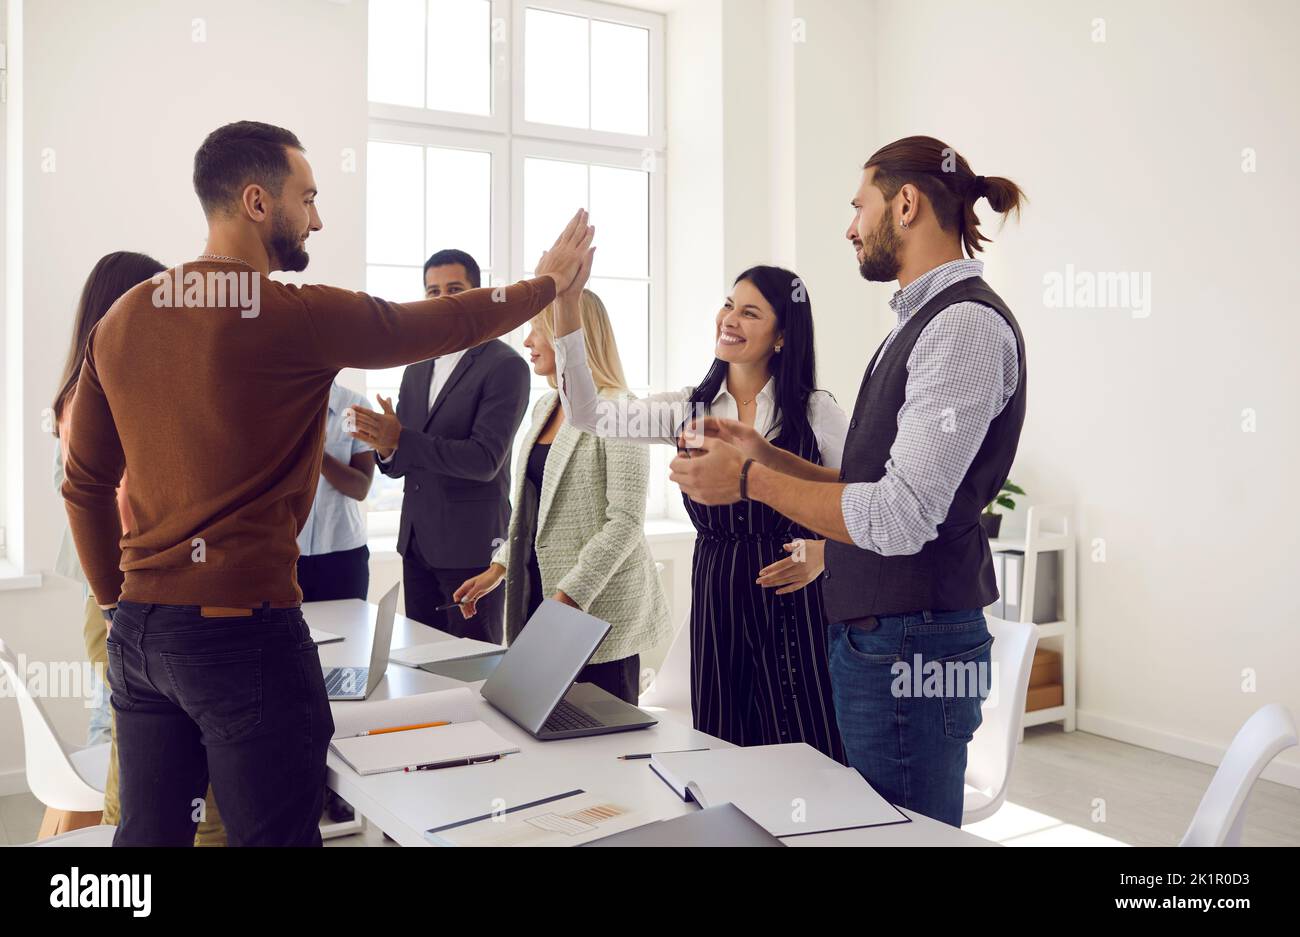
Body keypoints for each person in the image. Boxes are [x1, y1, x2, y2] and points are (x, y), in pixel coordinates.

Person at [61, 120, 593, 846]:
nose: (317, 217)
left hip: (143, 637)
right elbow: (437, 322)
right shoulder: (292, 317)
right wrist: (547, 285)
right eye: (306, 197)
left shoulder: (122, 319)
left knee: (147, 845)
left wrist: (115, 605)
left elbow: (83, 483)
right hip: (242, 635)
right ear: (256, 201)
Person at [669, 135, 1027, 826]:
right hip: (884, 638)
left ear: (906, 203)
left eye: (858, 206)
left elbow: (898, 517)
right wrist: (768, 458)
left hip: (910, 646)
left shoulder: (962, 329)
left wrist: (748, 480)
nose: (850, 226)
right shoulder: (917, 324)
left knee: (894, 837)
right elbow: (867, 483)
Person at [552, 260, 847, 760]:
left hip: (795, 602)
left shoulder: (817, 411)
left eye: (750, 312)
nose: (729, 319)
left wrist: (823, 554)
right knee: (724, 741)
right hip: (718, 594)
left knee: (807, 740)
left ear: (782, 336)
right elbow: (588, 413)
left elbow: (861, 495)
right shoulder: (688, 408)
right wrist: (566, 303)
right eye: (729, 305)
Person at [51, 250, 226, 845]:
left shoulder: (85, 388)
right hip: (125, 598)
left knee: (130, 750)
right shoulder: (104, 395)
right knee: (133, 763)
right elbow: (125, 503)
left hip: (117, 599)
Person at [454, 290, 671, 703]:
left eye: (538, 330)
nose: (528, 342)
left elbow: (624, 523)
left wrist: (568, 595)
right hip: (540, 599)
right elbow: (534, 509)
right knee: (542, 731)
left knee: (601, 745)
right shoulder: (544, 408)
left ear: (573, 336)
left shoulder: (622, 410)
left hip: (598, 612)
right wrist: (499, 568)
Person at [350, 249, 529, 643]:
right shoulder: (417, 365)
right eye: (432, 291)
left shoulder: (505, 366)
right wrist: (386, 448)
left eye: (454, 289)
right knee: (421, 668)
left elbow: (485, 460)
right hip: (416, 545)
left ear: (477, 294)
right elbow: (402, 462)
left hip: (472, 550)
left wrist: (402, 439)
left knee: (472, 673)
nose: (442, 299)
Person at [295, 380, 374, 602]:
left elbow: (360, 489)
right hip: (285, 556)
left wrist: (317, 451)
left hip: (344, 556)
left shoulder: (357, 407)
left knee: (351, 635)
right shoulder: (278, 407)